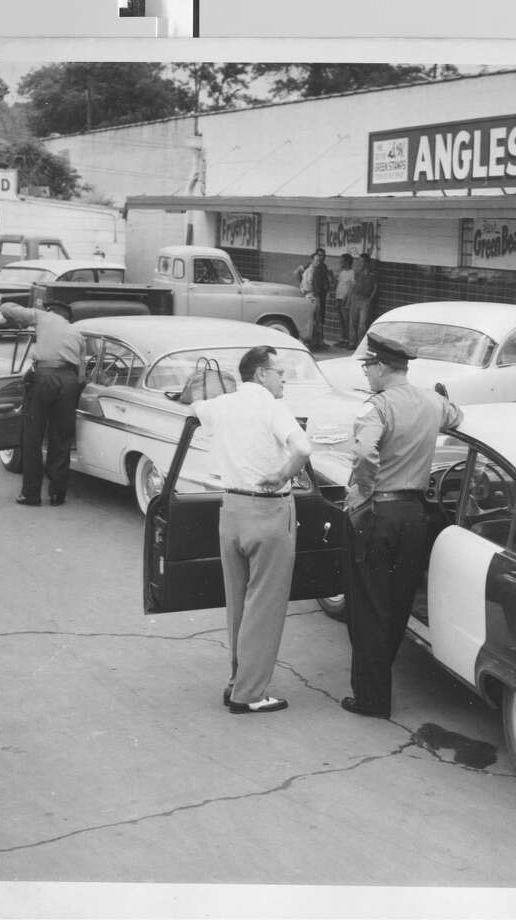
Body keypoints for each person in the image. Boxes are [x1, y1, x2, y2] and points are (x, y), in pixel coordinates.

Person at [343, 333, 464, 719]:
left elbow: (364, 452)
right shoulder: (432, 400)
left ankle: (372, 697)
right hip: (414, 515)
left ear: (381, 367)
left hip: (378, 513)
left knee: (368, 605)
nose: (365, 373)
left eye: (367, 366)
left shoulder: (376, 407)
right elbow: (457, 417)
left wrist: (362, 494)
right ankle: (379, 682)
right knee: (397, 604)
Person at [191, 345, 312, 714]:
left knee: (238, 604)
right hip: (270, 511)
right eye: (279, 372)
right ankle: (251, 694)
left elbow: (195, 404)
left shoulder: (222, 405)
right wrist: (282, 474)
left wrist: (199, 386)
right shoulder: (273, 408)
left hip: (231, 511)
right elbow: (303, 449)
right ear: (260, 374)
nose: (284, 378)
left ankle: (237, 681)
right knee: (265, 606)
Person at [0, 301, 85, 507]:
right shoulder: (77, 333)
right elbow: (82, 375)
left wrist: (11, 305)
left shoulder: (43, 317)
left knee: (32, 436)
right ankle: (57, 495)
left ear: (50, 311)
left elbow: (7, 308)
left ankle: (31, 494)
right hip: (69, 381)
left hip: (44, 377)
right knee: (61, 438)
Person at [298, 248, 332, 348]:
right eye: (317, 259)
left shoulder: (321, 268)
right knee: (312, 319)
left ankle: (318, 341)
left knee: (318, 319)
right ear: (312, 260)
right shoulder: (310, 270)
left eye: (321, 257)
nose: (319, 260)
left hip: (319, 295)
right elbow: (311, 284)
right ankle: (311, 341)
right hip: (313, 296)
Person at [349, 252, 379, 344]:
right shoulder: (357, 272)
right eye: (359, 261)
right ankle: (352, 343)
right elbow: (353, 285)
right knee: (353, 322)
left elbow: (375, 287)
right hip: (355, 297)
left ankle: (360, 343)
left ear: (367, 262)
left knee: (362, 323)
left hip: (365, 299)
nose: (360, 263)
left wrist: (370, 299)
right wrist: (350, 298)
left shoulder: (373, 273)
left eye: (362, 261)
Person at [334, 254, 357, 347]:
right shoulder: (342, 272)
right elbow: (338, 283)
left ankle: (348, 340)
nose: (340, 262)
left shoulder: (352, 272)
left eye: (342, 261)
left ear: (347, 262)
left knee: (346, 319)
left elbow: (352, 287)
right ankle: (342, 339)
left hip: (345, 299)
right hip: (338, 297)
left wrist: (346, 298)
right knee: (341, 320)